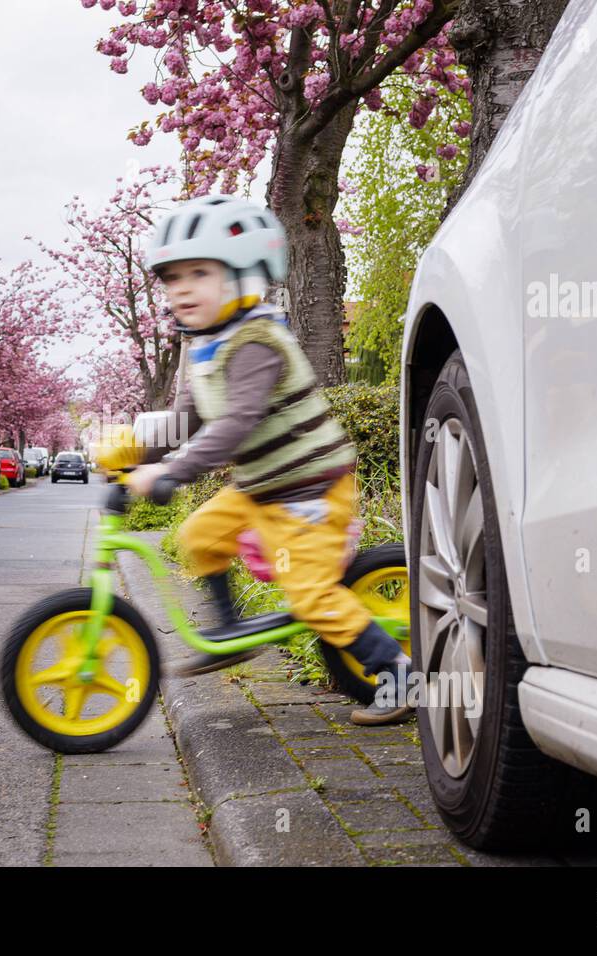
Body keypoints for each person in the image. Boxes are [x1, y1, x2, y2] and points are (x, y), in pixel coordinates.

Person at [127, 194, 413, 726]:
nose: (182, 288)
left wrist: (171, 472)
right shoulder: (206, 345)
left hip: (311, 488)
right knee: (199, 536)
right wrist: (137, 457)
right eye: (172, 278)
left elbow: (236, 425)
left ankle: (397, 672)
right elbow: (187, 415)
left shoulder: (257, 341)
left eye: (198, 273)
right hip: (261, 489)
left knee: (310, 596)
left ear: (243, 276)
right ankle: (230, 633)